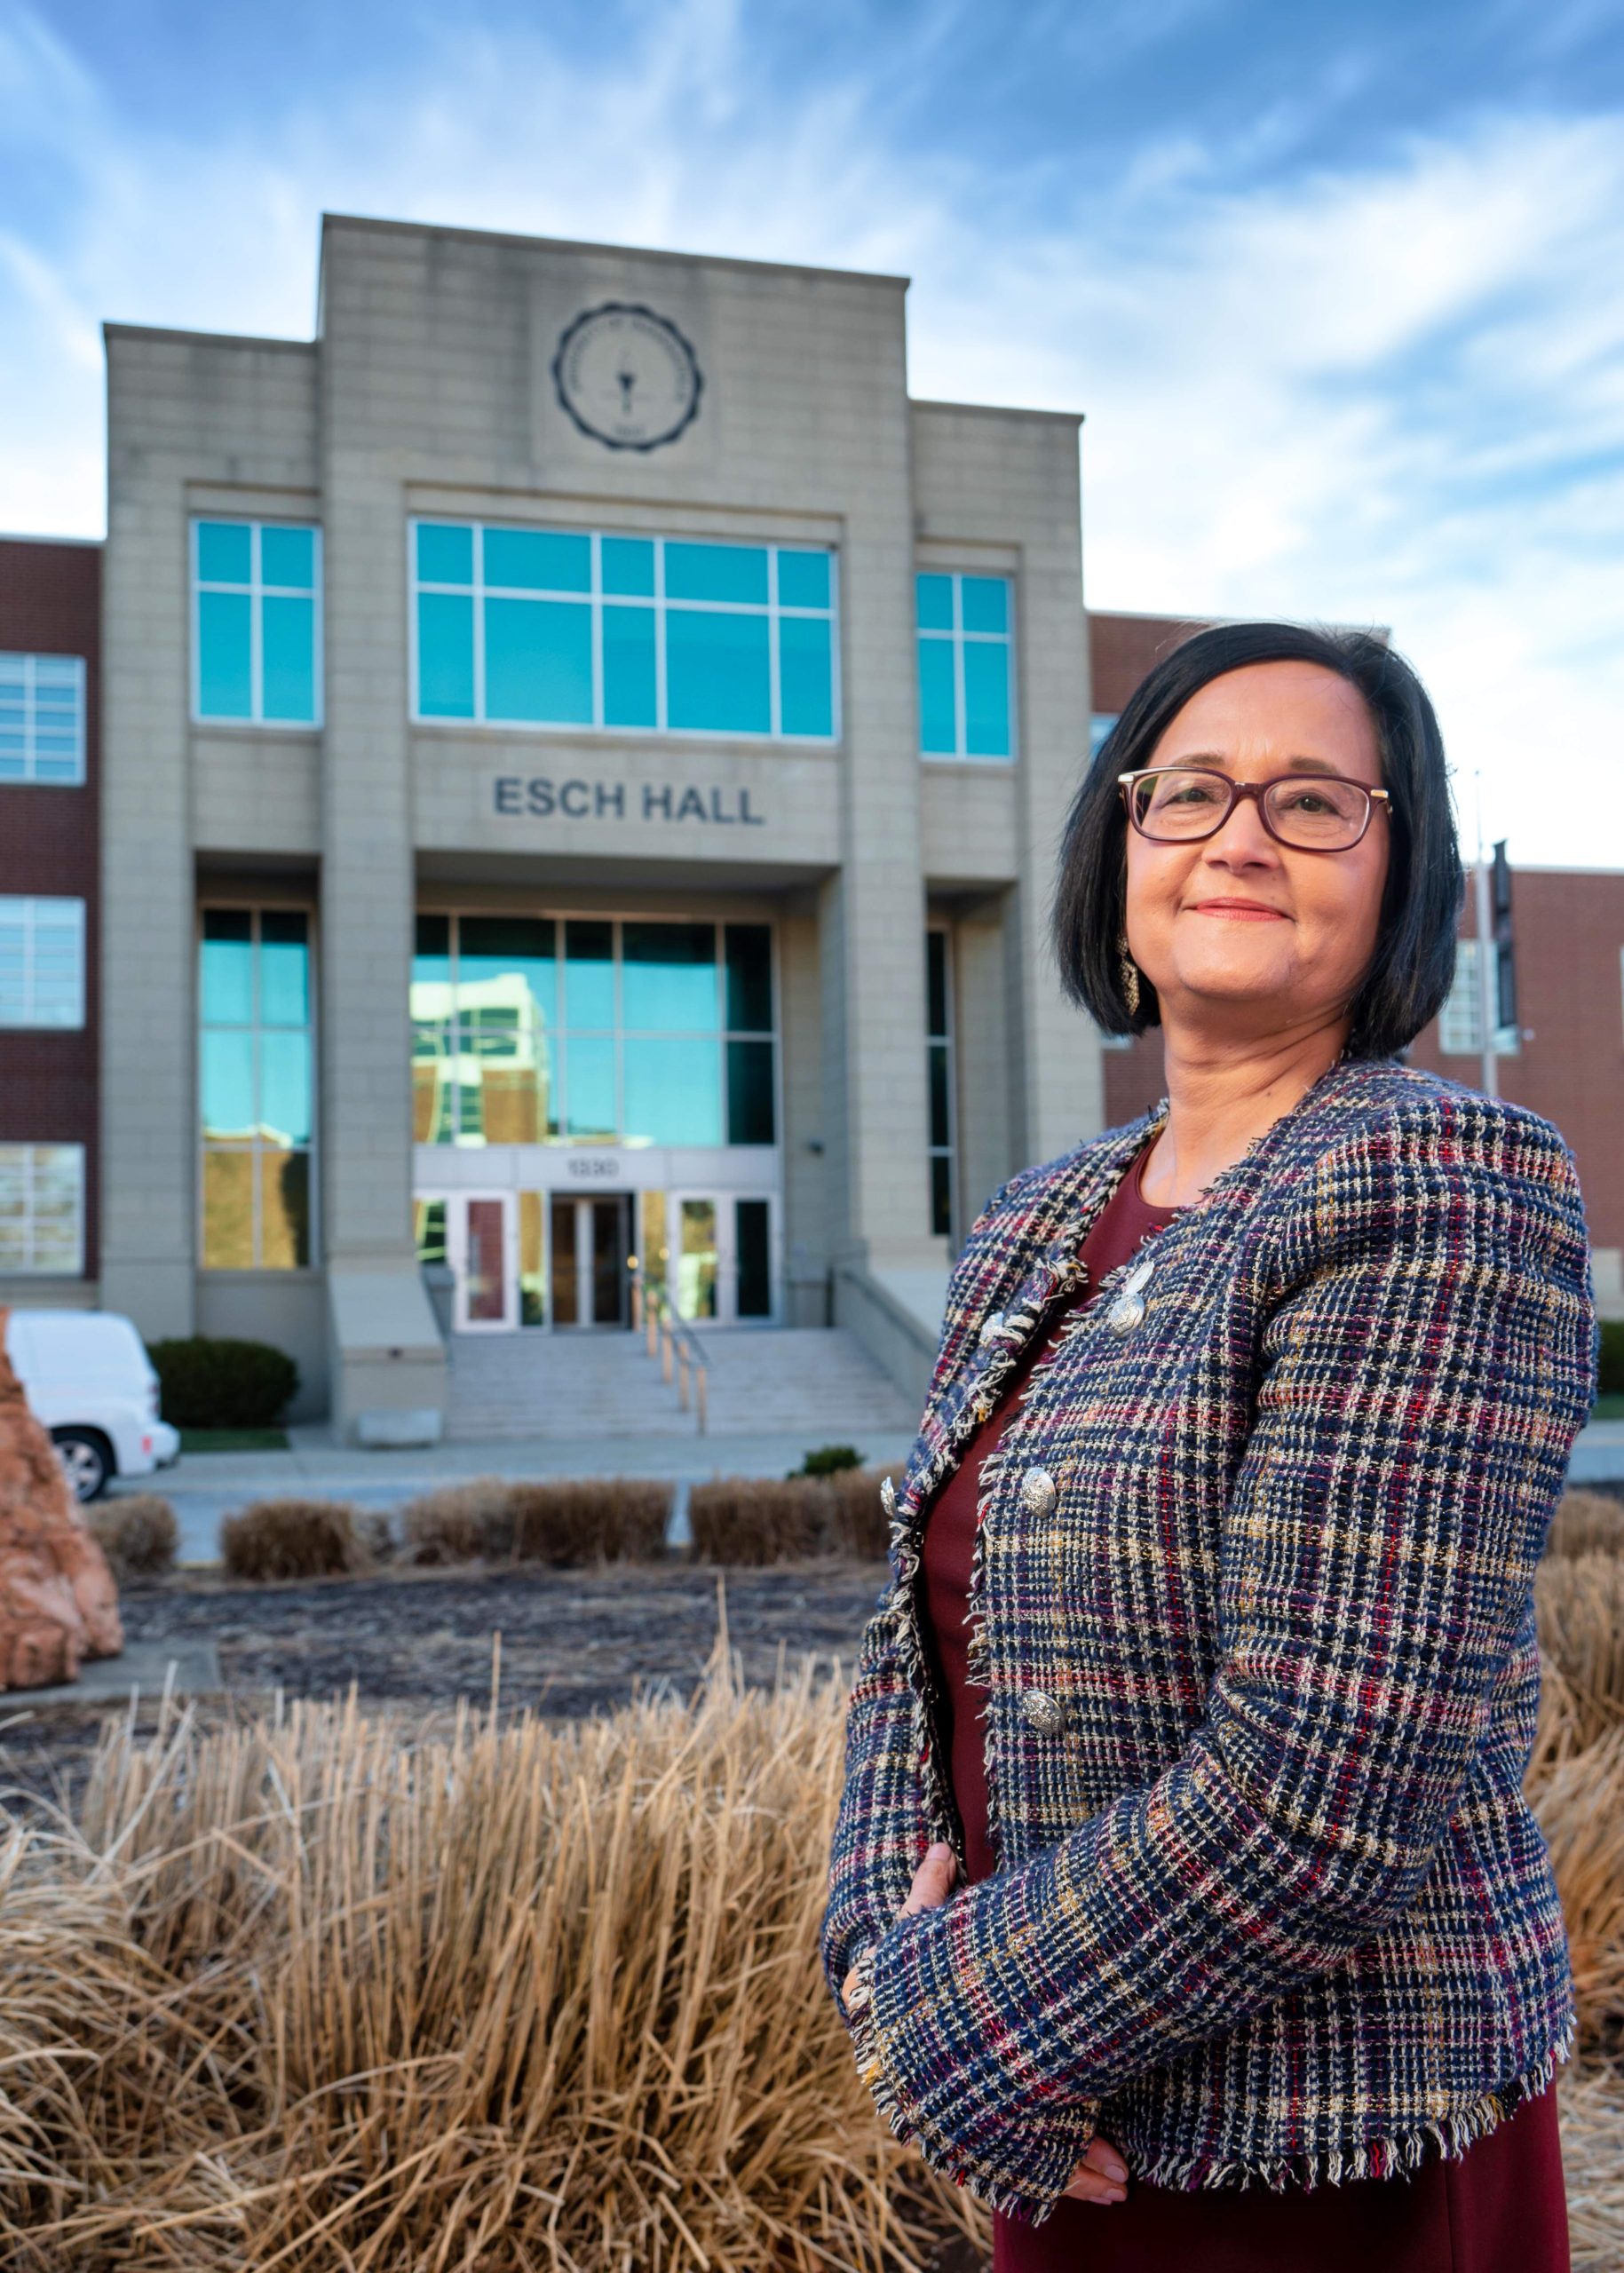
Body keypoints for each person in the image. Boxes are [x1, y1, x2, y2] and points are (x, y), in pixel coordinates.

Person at [820, 622, 1596, 2272]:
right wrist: (879, 1951)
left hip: (1332, 2155)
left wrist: (957, 2023)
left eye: (1311, 802)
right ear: (1119, 853)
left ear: (1399, 874)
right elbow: (915, 1642)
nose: (1237, 836)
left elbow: (1326, 1776)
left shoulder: (1441, 1181)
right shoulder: (1033, 1219)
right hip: (1054, 2124)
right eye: (1184, 793)